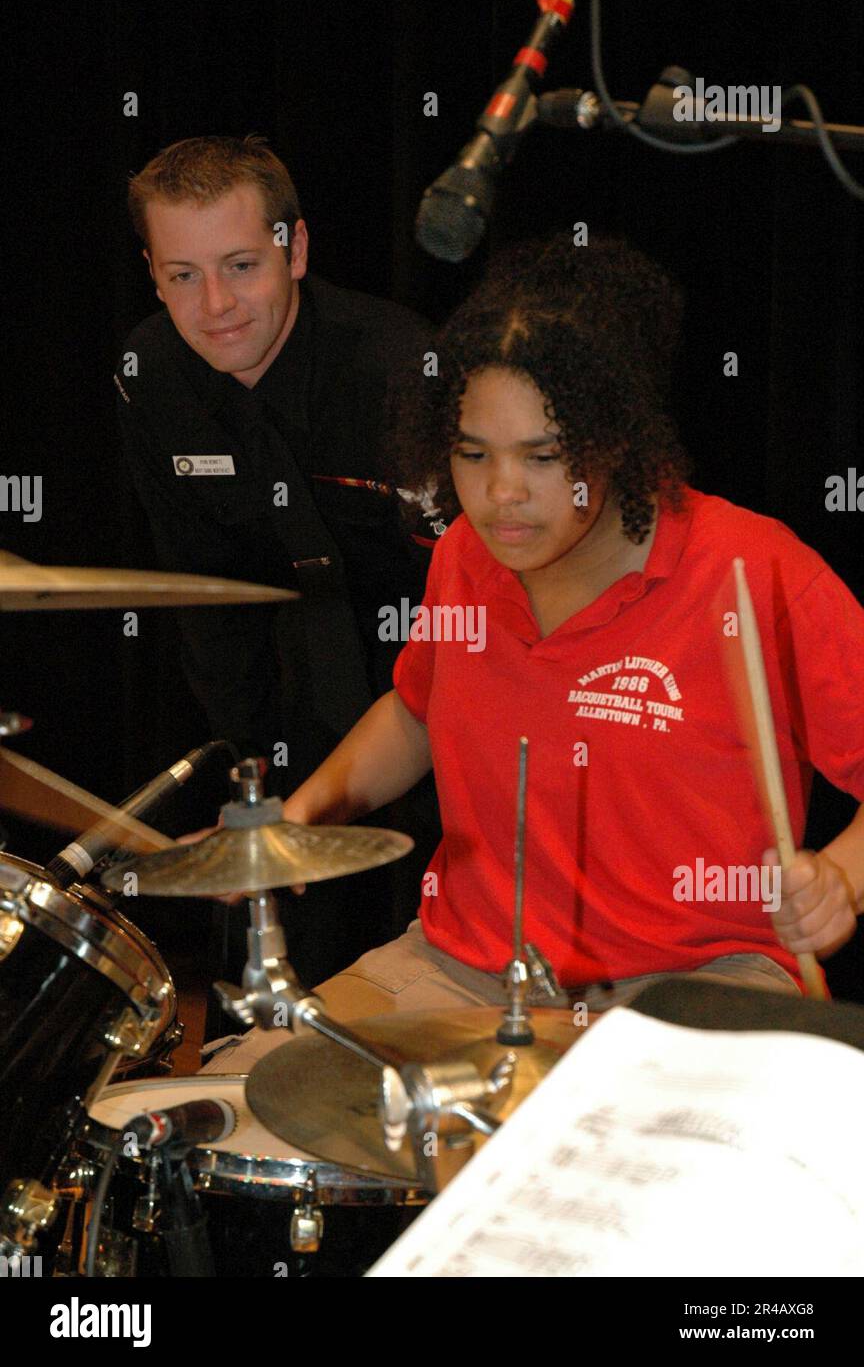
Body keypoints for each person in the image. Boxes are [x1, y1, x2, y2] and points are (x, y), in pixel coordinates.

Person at [202, 233, 864, 1073]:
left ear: (615, 443)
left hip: (702, 981)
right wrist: (300, 818)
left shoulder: (756, 573)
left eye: (543, 458)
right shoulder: (464, 560)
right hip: (465, 970)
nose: (500, 493)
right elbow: (415, 712)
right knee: (243, 1093)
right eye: (473, 454)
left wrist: (840, 876)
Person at [115, 134, 440, 1016]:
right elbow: (208, 604)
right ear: (152, 274)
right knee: (265, 1024)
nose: (215, 305)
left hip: (429, 710)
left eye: (242, 265)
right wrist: (256, 780)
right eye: (182, 274)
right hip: (288, 715)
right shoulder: (151, 377)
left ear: (296, 249)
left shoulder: (403, 371)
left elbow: (475, 609)